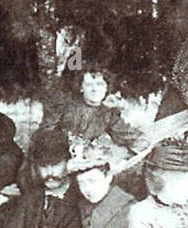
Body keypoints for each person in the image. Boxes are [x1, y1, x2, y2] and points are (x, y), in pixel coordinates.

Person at [38, 66, 150, 197]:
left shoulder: (107, 113)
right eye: (89, 84)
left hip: (84, 162)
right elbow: (44, 134)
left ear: (107, 88)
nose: (95, 89)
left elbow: (128, 135)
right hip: (54, 160)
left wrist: (144, 142)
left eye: (100, 84)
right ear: (81, 87)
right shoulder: (65, 105)